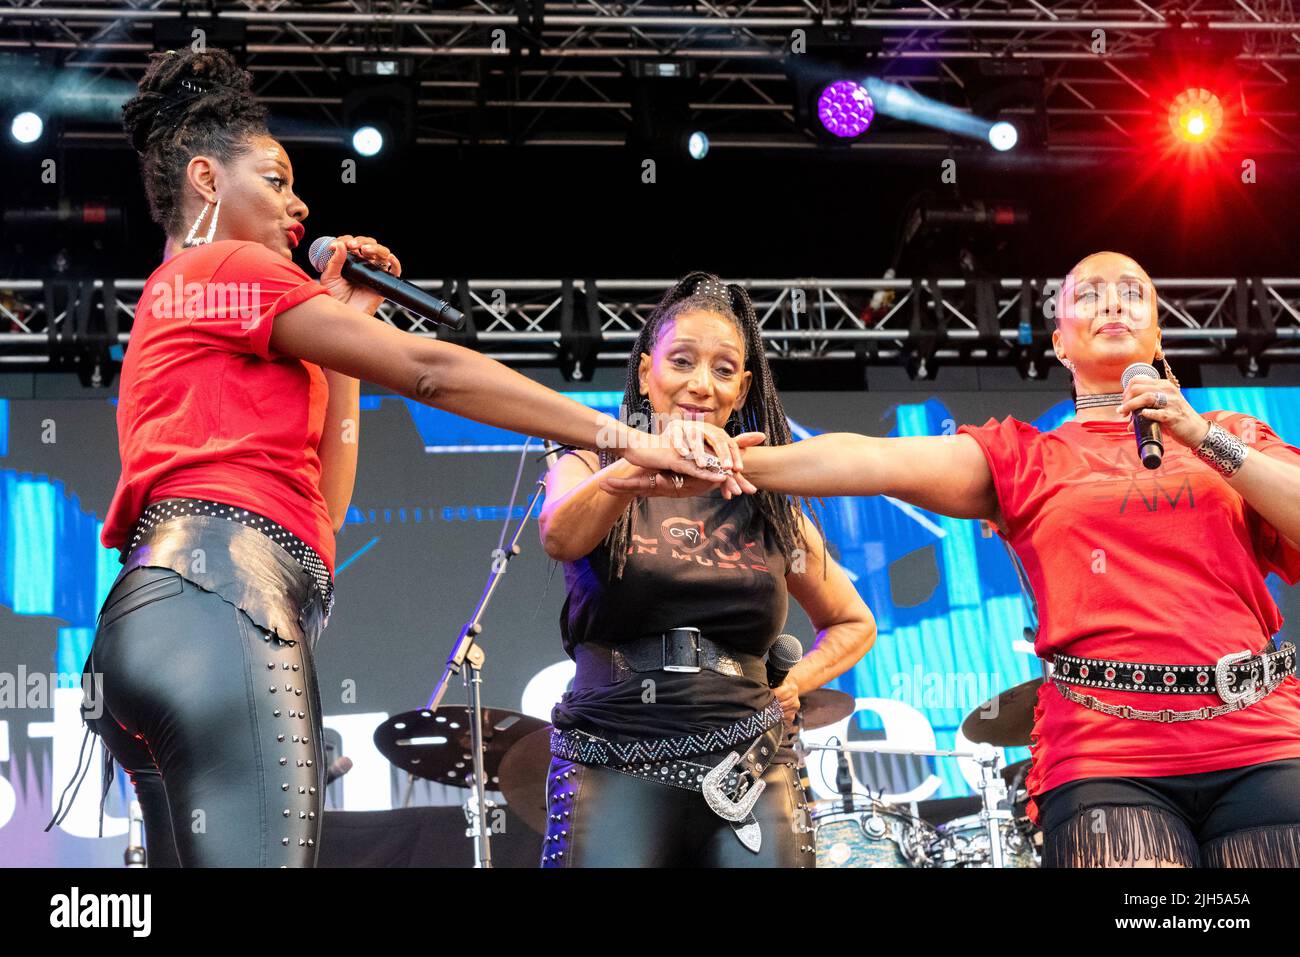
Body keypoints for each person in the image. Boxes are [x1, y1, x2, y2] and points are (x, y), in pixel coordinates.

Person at [48, 49, 747, 868]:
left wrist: (349, 334)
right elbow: (431, 369)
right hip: (219, 600)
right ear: (205, 180)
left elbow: (325, 511)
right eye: (275, 180)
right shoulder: (227, 266)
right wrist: (622, 435)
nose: (300, 203)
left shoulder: (187, 297)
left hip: (163, 616)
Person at [610, 251, 1300, 868]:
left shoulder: (1233, 434)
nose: (1112, 301)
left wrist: (1203, 438)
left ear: (1158, 333)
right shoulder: (1027, 455)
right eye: (1088, 294)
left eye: (1132, 292)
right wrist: (731, 456)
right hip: (1109, 753)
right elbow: (871, 457)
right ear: (1058, 342)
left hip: (1264, 735)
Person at [538, 271, 877, 867]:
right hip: (611, 749)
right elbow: (561, 535)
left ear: (743, 390)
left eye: (723, 371)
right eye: (682, 362)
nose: (701, 386)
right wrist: (630, 470)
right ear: (647, 373)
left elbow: (853, 622)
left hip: (746, 762)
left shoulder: (764, 497)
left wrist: (790, 687)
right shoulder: (593, 460)